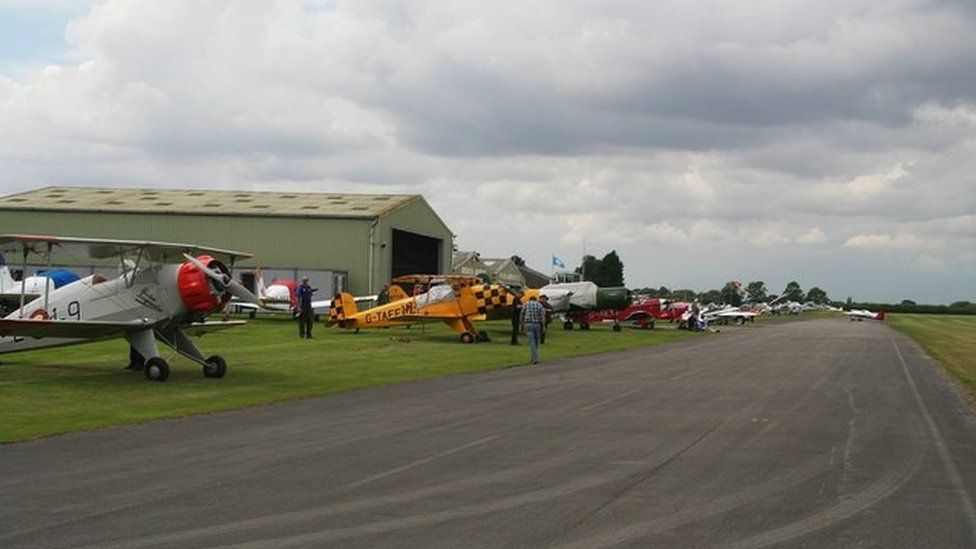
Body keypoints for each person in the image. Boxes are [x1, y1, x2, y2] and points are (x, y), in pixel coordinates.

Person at [520, 295, 546, 364]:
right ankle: (535, 357)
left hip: (528, 324)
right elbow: (543, 316)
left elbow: (522, 314)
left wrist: (522, 325)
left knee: (532, 342)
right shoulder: (539, 305)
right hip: (537, 324)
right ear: (535, 299)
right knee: (536, 342)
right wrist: (543, 326)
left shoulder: (526, 304)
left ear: (529, 299)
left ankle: (534, 358)